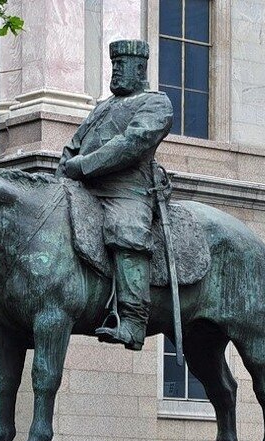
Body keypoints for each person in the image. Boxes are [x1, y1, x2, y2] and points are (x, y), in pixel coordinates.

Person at [56, 39, 173, 351]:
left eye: (122, 65)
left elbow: (131, 144)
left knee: (127, 229)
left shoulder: (156, 103)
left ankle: (133, 320)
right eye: (114, 65)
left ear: (140, 68)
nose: (116, 71)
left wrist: (83, 165)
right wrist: (61, 173)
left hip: (127, 191)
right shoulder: (102, 107)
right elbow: (74, 143)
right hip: (84, 187)